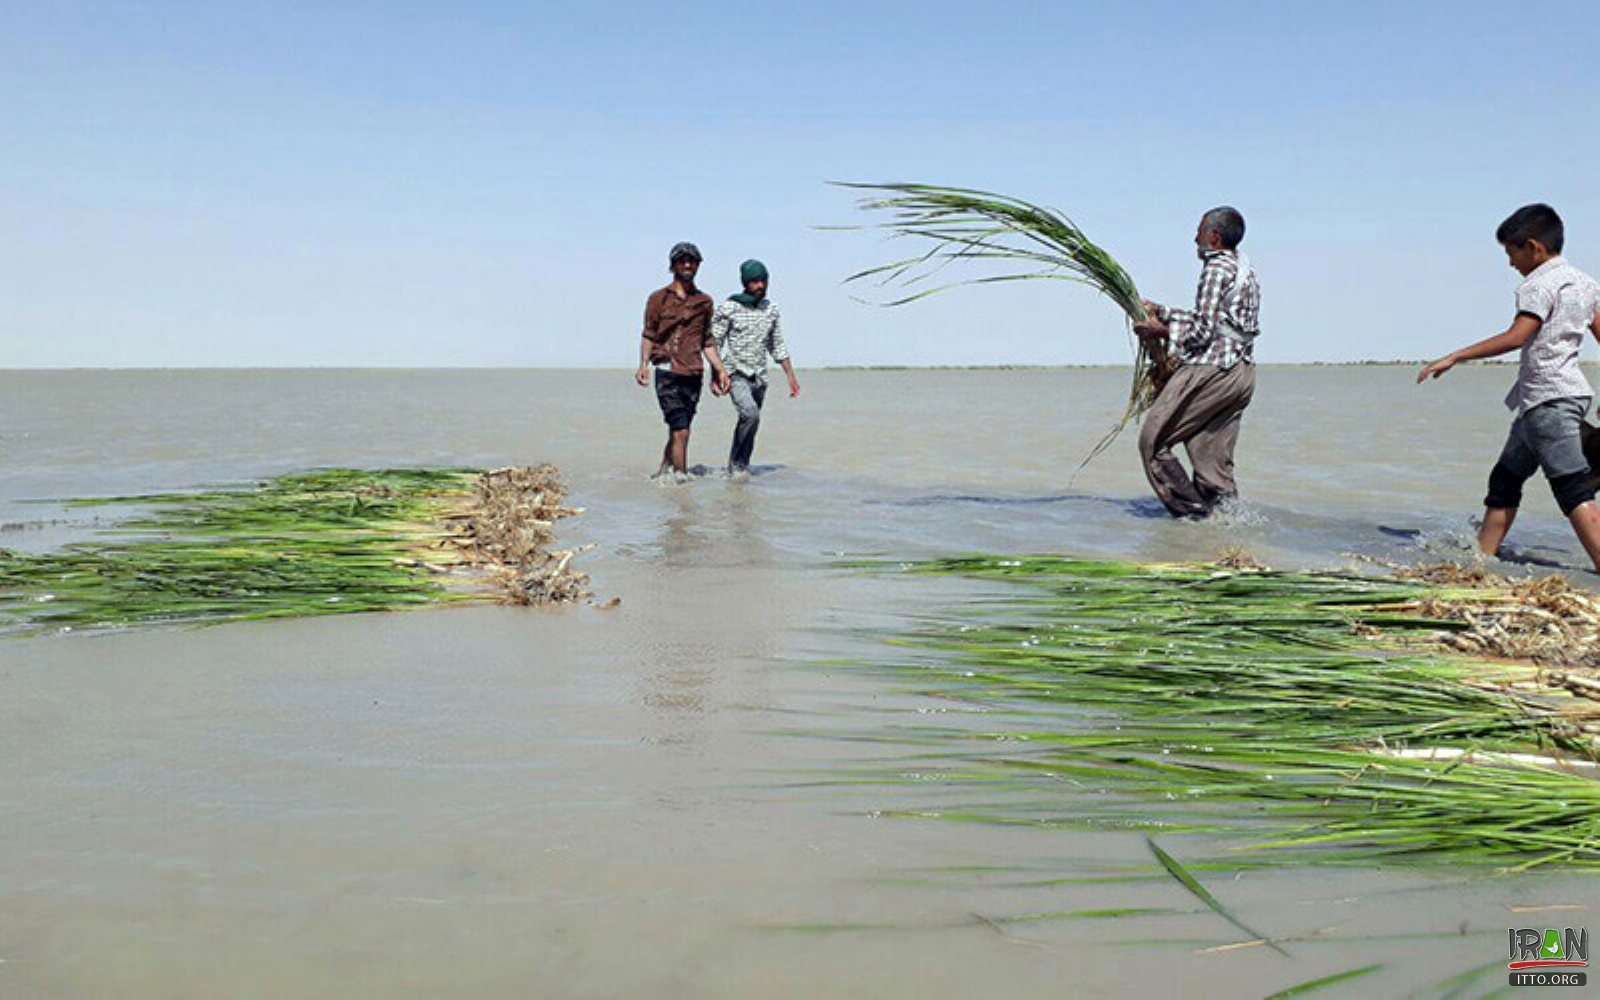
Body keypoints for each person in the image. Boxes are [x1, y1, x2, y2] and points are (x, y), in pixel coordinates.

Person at [1418, 203, 1600, 570]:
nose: (1510, 263)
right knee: (1504, 480)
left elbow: (1517, 337)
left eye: (1511, 252)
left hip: (1549, 402)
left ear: (1533, 247)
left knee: (1572, 488)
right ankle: (1480, 563)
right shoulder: (1586, 283)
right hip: (1550, 401)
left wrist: (1456, 356)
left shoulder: (1536, 286)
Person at [1132, 206, 1262, 518]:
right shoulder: (1244, 269)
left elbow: (1203, 332)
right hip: (1240, 375)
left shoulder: (1216, 269)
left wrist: (1159, 330)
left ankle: (1194, 518)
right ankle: (1224, 528)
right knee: (1210, 461)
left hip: (1212, 371)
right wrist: (1162, 311)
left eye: (1200, 231)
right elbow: (1218, 323)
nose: (1195, 238)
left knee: (1153, 442)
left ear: (1214, 237)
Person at [637, 242, 730, 478]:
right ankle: (681, 481)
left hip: (693, 371)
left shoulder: (704, 302)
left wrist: (720, 370)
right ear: (673, 265)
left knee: (679, 429)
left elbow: (707, 340)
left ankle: (663, 473)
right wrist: (643, 365)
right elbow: (648, 334)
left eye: (692, 261)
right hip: (666, 370)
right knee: (681, 429)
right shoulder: (658, 298)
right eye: (682, 260)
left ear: (698, 266)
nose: (687, 265)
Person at [710, 259, 800, 474]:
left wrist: (791, 377)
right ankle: (736, 466)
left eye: (763, 281)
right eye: (754, 282)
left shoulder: (771, 310)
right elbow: (714, 343)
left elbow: (776, 344)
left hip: (759, 377)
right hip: (735, 373)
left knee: (751, 423)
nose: (760, 286)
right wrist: (715, 375)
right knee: (750, 414)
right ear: (745, 283)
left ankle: (739, 468)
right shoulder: (729, 308)